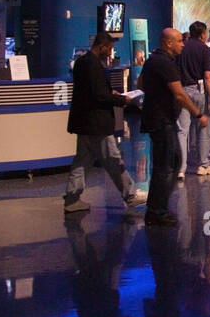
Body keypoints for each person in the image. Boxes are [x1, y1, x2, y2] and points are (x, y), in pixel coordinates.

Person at [63, 31, 147, 215]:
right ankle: (130, 195)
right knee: (113, 159)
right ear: (101, 47)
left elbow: (91, 92)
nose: (110, 53)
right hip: (96, 122)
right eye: (109, 49)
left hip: (83, 121)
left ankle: (72, 198)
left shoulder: (81, 63)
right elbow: (99, 96)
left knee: (81, 160)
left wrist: (112, 95)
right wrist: (121, 100)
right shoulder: (93, 65)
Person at [139, 28, 209, 226]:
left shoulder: (153, 60)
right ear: (168, 43)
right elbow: (179, 94)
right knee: (166, 166)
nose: (183, 44)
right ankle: (156, 211)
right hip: (162, 121)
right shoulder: (165, 64)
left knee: (173, 161)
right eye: (179, 41)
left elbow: (141, 83)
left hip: (158, 118)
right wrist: (198, 113)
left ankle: (156, 208)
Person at [176, 21, 210, 178]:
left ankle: (181, 168)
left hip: (182, 90)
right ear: (202, 34)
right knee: (203, 128)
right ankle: (203, 165)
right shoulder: (205, 50)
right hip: (199, 91)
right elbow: (208, 76)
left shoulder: (181, 48)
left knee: (182, 130)